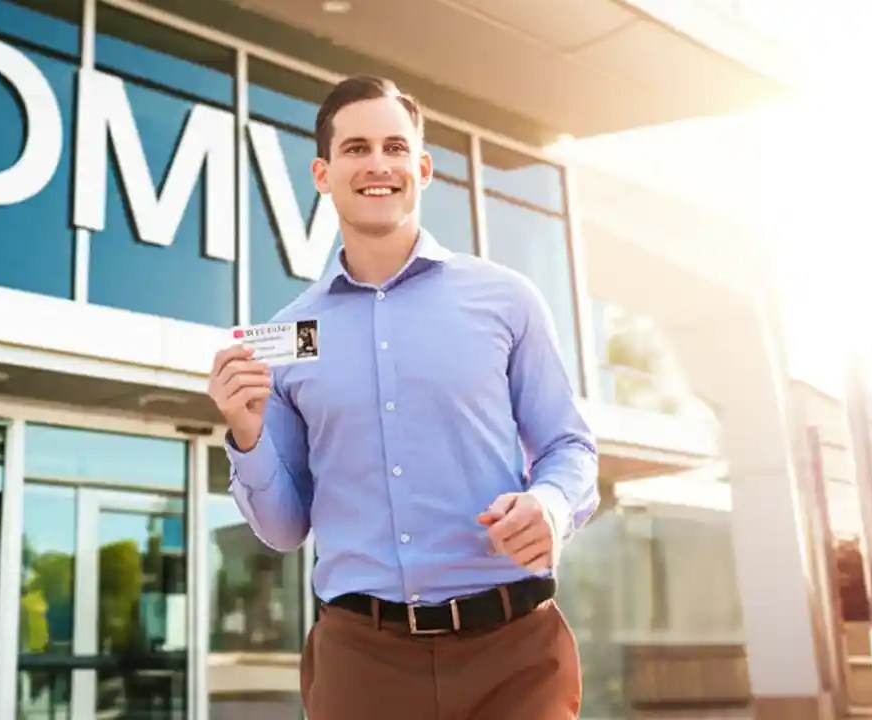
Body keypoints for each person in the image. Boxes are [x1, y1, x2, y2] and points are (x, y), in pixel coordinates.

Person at [207, 75, 599, 719]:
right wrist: (245, 434)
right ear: (322, 173)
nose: (378, 165)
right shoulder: (290, 338)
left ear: (422, 168)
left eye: (395, 147)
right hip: (362, 664)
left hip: (515, 653)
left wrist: (551, 507)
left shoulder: (507, 299)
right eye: (356, 148)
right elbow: (283, 529)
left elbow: (569, 445)